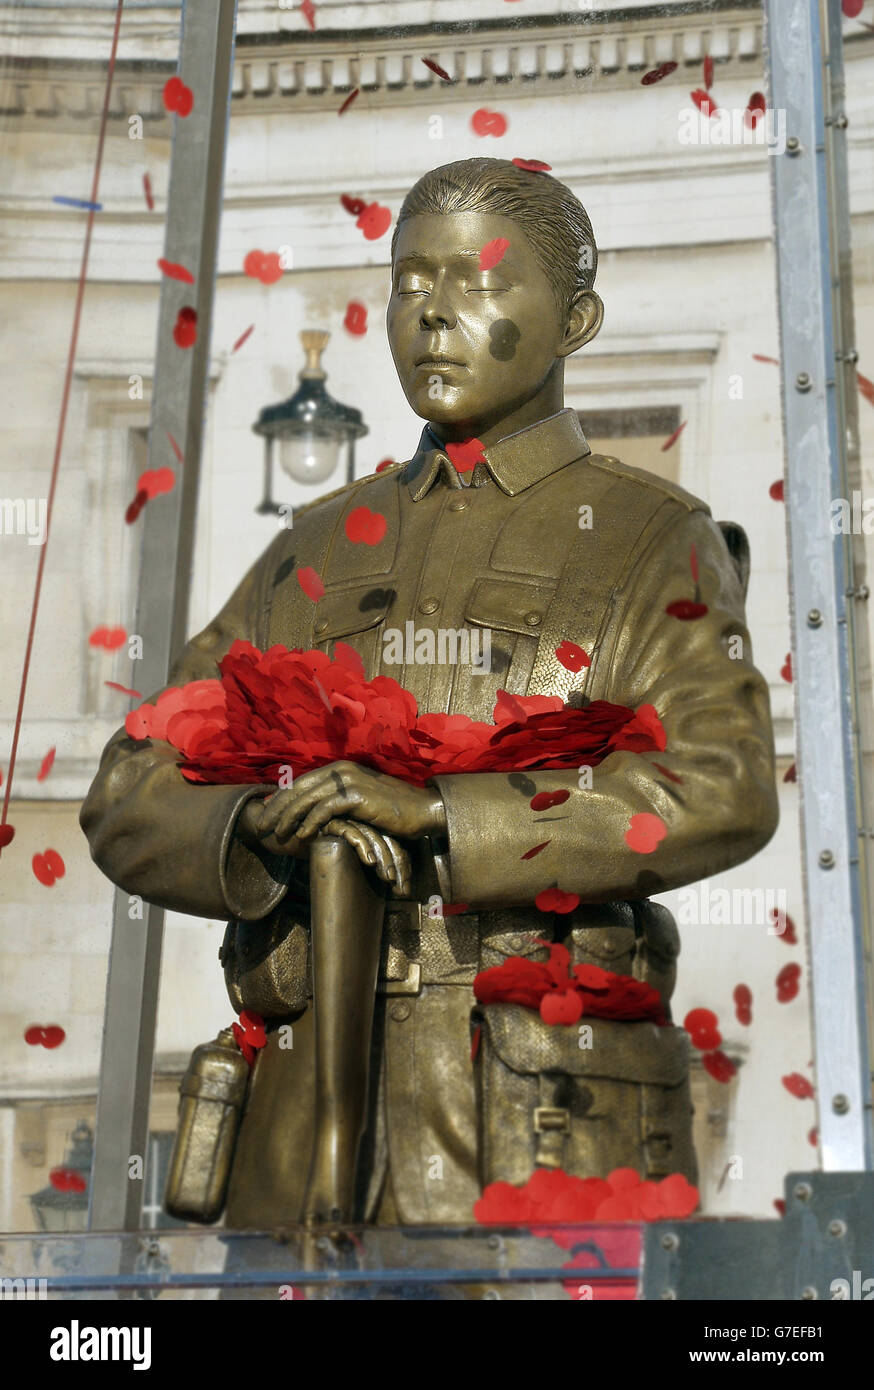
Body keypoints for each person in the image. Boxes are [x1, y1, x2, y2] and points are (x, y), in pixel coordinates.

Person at [80, 157, 778, 1233]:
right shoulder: (309, 552)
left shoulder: (654, 539)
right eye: (409, 283)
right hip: (299, 1146)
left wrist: (445, 814)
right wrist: (258, 819)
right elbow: (132, 781)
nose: (434, 316)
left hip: (540, 1126)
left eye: (481, 284)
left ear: (576, 319)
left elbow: (720, 784)